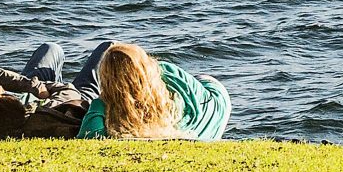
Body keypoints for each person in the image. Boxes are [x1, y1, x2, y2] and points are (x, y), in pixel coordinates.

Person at [77, 41, 232, 140]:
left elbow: (88, 136)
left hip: (206, 112)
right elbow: (194, 94)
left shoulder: (102, 106)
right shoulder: (167, 82)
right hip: (214, 110)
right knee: (199, 78)